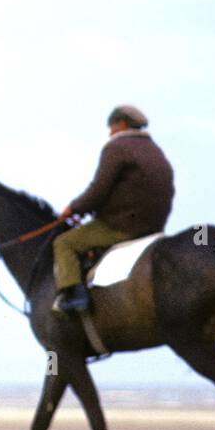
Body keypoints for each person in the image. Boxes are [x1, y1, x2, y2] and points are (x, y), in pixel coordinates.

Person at [52, 105, 175, 313]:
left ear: (121, 124)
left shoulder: (116, 148)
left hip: (123, 226)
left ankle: (76, 296)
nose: (110, 133)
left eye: (111, 127)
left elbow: (98, 190)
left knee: (64, 243)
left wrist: (73, 208)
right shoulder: (153, 148)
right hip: (154, 226)